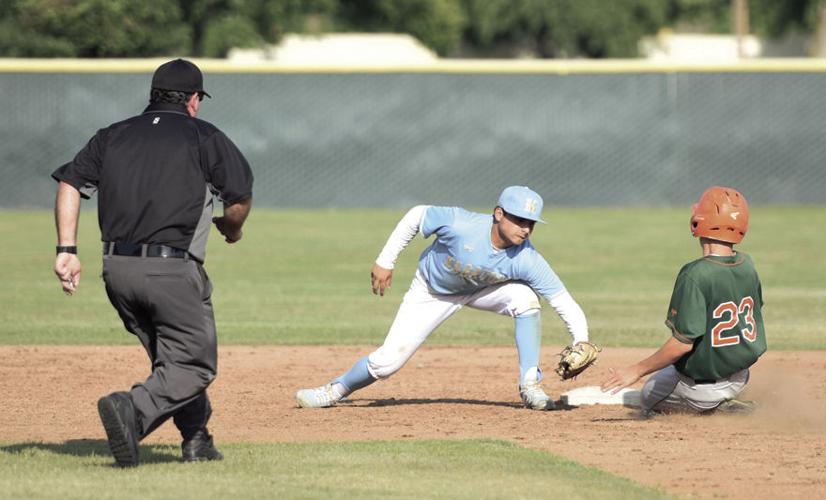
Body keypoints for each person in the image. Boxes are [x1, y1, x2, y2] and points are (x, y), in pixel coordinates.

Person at [52, 59, 253, 466]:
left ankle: (197, 440)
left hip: (117, 270)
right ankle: (131, 409)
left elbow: (70, 182)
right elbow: (239, 197)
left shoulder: (113, 135)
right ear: (193, 99)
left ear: (154, 95)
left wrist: (67, 250)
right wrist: (232, 229)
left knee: (170, 361)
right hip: (171, 271)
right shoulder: (204, 135)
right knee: (194, 366)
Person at [295, 186, 593, 410]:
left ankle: (530, 384)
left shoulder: (527, 258)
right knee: (387, 363)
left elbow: (563, 301)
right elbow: (416, 215)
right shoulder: (462, 225)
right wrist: (386, 260)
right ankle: (334, 390)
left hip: (480, 290)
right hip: (431, 291)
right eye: (519, 220)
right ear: (499, 214)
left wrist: (581, 340)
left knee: (525, 298)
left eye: (531, 223)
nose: (526, 229)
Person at [601, 186, 766, 415]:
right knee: (669, 374)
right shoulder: (747, 264)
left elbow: (682, 344)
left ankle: (716, 408)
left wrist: (636, 370)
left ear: (701, 221)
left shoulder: (695, 274)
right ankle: (728, 396)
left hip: (702, 390)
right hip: (741, 377)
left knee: (648, 395)